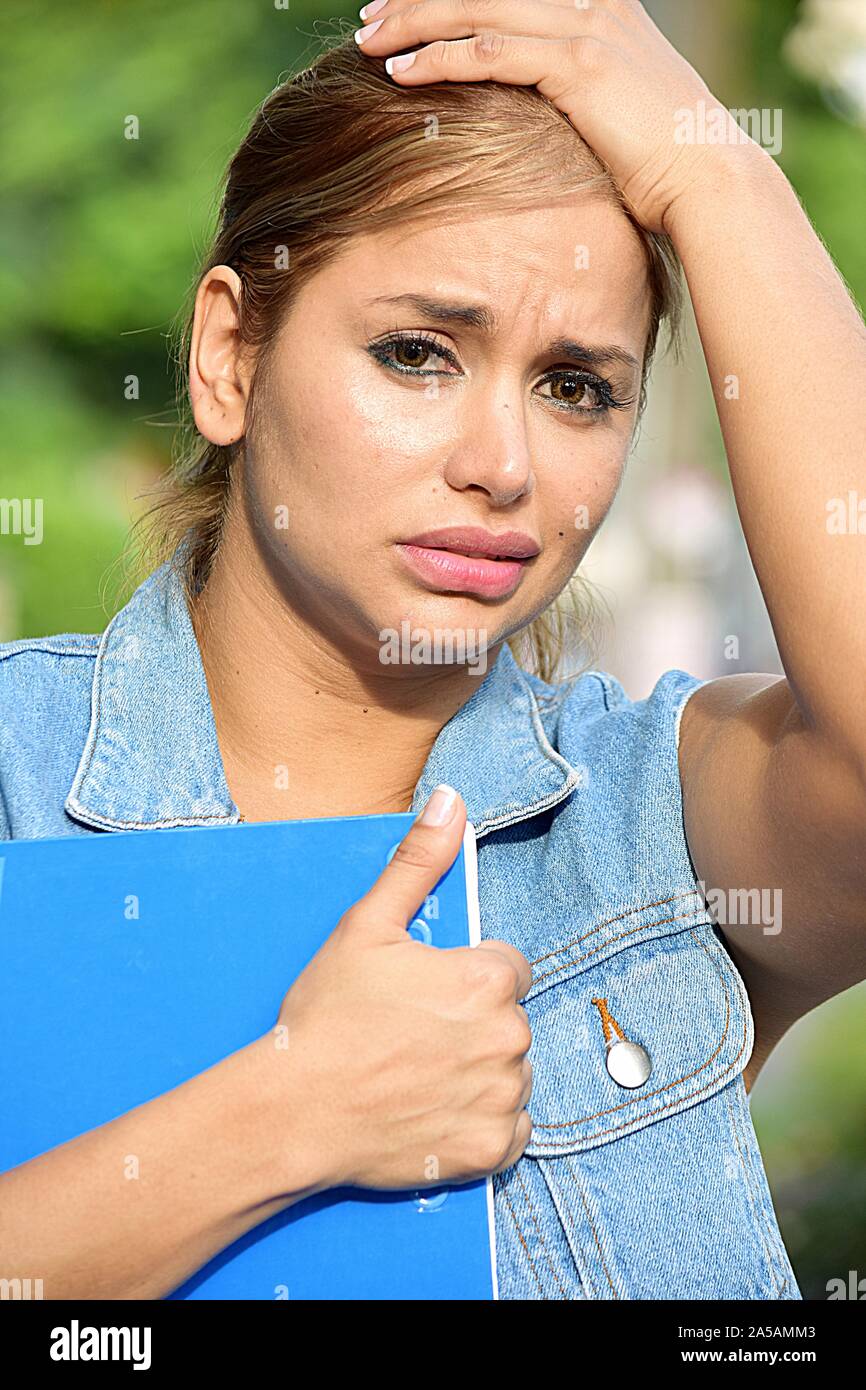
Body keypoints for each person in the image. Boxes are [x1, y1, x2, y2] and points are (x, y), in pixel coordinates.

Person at [2, 2, 865, 1300]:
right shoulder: (16, 780)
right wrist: (290, 1113)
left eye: (576, 385)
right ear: (228, 356)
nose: (501, 465)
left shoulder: (661, 829)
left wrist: (715, 171)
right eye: (417, 353)